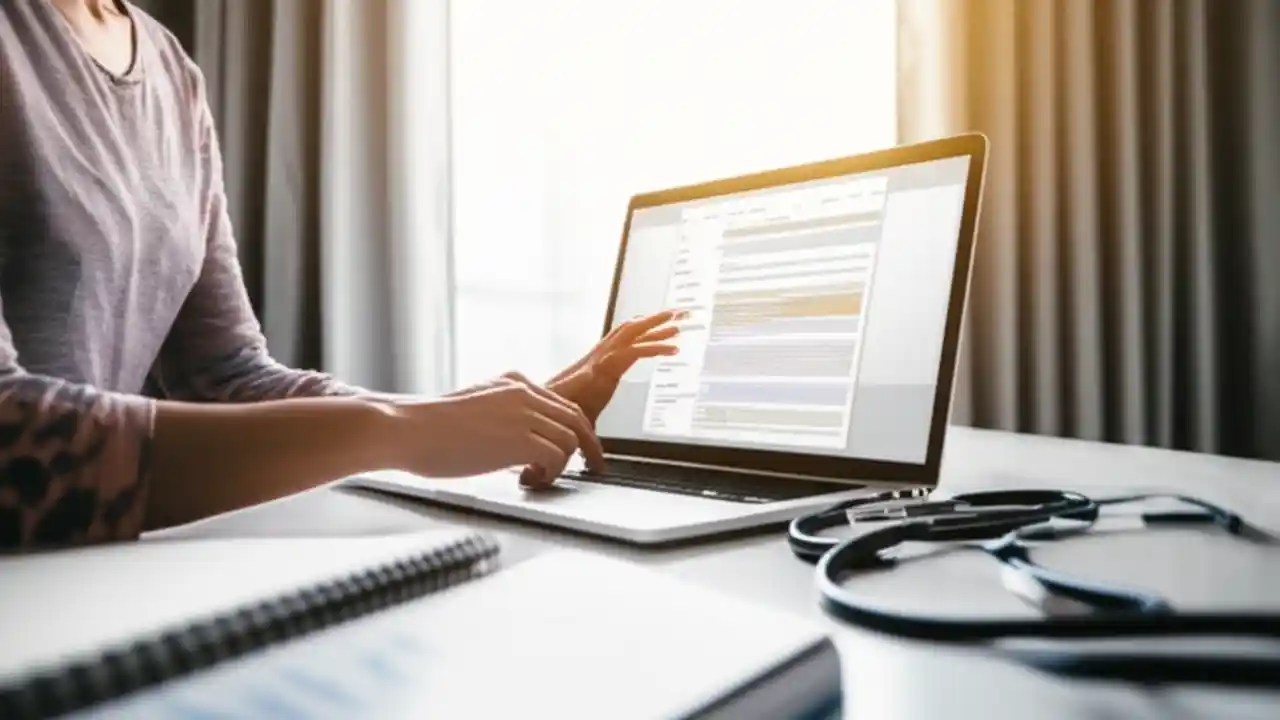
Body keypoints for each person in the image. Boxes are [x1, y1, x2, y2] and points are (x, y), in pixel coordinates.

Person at [0, 0, 680, 549]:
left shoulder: (173, 72)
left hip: (91, 577)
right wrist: (403, 432)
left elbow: (229, 378)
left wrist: (472, 420)